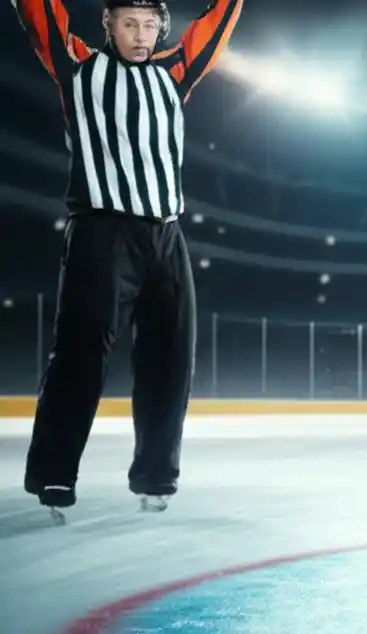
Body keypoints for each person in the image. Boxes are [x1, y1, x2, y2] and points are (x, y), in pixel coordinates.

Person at [13, 0, 244, 520]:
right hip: (101, 230)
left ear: (160, 29)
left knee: (171, 357)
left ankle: (157, 475)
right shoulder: (78, 67)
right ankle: (52, 475)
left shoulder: (174, 73)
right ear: (109, 28)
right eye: (128, 24)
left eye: (149, 25)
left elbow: (218, 22)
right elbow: (40, 14)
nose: (140, 35)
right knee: (80, 353)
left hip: (166, 234)